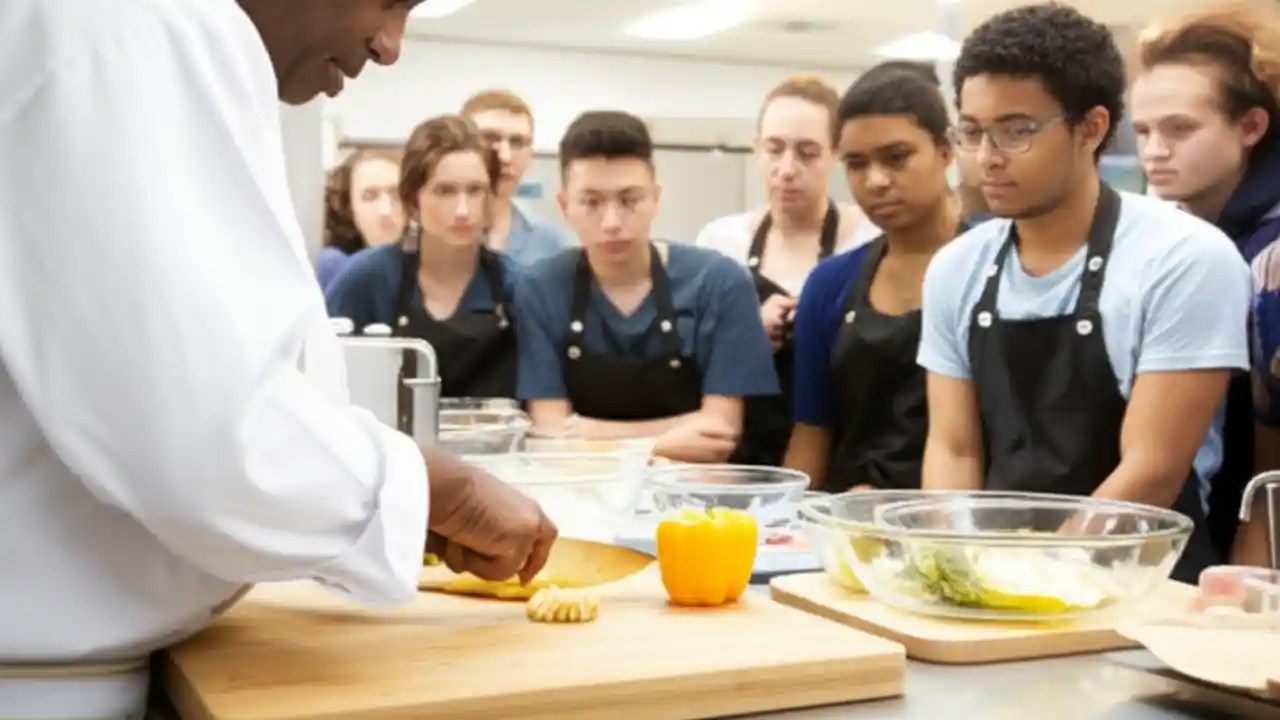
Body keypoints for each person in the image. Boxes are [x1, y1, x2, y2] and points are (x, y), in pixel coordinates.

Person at [0, 2, 555, 717]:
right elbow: (203, 443)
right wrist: (432, 491)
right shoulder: (144, 25)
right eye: (390, 1)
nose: (389, 46)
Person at [917, 4, 1253, 584]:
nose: (988, 158)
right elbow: (954, 449)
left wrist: (1037, 580)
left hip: (1143, 582)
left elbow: (1152, 471)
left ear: (1091, 128)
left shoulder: (1184, 258)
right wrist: (954, 566)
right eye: (972, 132)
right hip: (997, 573)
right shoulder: (957, 267)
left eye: (1017, 131)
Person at [513, 111, 779, 463]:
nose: (611, 222)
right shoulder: (540, 288)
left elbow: (718, 434)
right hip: (585, 492)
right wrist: (672, 436)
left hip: (696, 497)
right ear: (565, 206)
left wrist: (595, 433)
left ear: (655, 198)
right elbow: (550, 436)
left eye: (629, 200)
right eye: (591, 202)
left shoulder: (718, 282)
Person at [1130, 0, 1280, 566]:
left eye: (1180, 129)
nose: (1154, 151)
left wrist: (1253, 564)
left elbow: (1274, 453)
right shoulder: (1180, 233)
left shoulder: (1271, 257)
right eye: (1142, 130)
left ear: (1250, 126)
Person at [785, 62, 962, 492]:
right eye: (857, 164)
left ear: (945, 150)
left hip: (960, 524)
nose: (877, 181)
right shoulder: (830, 284)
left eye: (897, 158)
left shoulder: (994, 268)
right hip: (847, 524)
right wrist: (786, 528)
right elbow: (812, 432)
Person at [695, 76, 879, 467]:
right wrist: (745, 336)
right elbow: (691, 364)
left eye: (807, 153)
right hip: (741, 457)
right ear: (756, 148)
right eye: (774, 149)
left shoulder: (869, 239)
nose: (787, 169)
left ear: (836, 154)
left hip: (843, 450)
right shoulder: (720, 242)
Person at [326, 115, 520, 399]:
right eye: (445, 191)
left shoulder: (517, 287)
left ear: (491, 198)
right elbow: (324, 386)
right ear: (413, 203)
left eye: (475, 190)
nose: (463, 210)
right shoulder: (365, 280)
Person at [461, 89, 569, 266]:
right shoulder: (426, 242)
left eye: (517, 143)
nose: (505, 157)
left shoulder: (550, 249)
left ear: (530, 155)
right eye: (490, 138)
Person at [315, 149, 406, 291]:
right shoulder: (336, 265)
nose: (386, 210)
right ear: (349, 207)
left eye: (396, 194)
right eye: (370, 196)